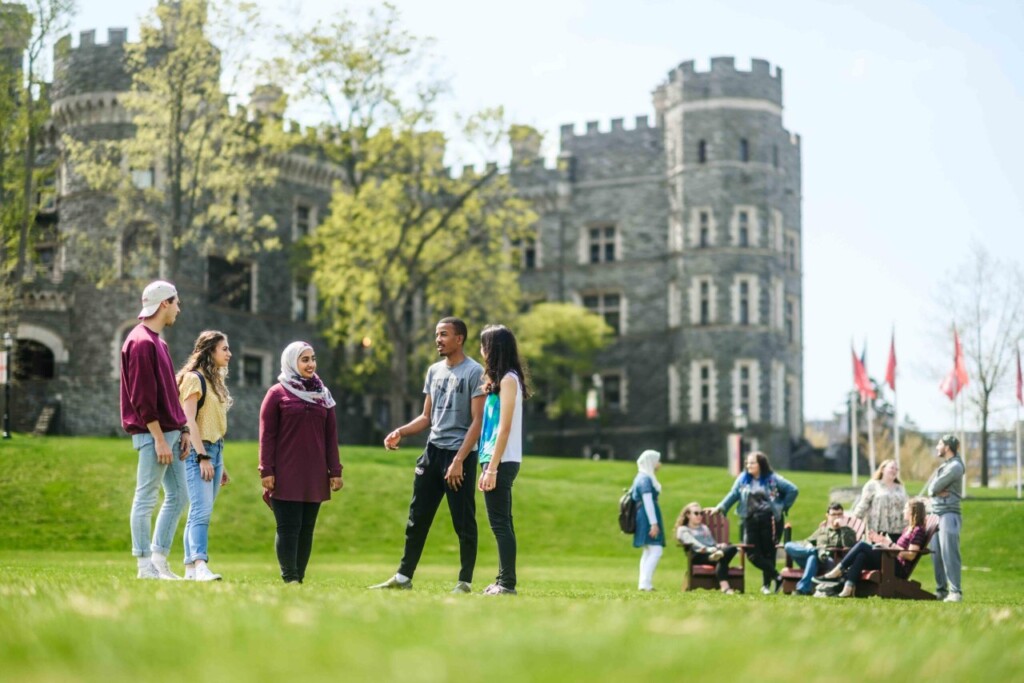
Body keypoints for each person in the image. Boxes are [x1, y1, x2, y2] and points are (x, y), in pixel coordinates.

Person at [370, 317, 485, 593]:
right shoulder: (434, 371)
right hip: (432, 452)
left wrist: (459, 460)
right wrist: (400, 432)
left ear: (459, 338)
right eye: (437, 334)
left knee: (463, 522)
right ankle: (403, 577)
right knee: (417, 518)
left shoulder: (475, 372)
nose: (438, 340)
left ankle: (464, 582)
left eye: (444, 334)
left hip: (459, 456)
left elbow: (478, 421)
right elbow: (426, 417)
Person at [121, 280, 191, 580]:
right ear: (164, 303)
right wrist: (159, 438)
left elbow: (169, 393)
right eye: (176, 302)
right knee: (146, 498)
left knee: (180, 495)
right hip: (154, 435)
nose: (178, 309)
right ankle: (143, 566)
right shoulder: (140, 343)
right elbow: (142, 398)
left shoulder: (159, 343)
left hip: (171, 432)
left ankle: (159, 561)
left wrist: (183, 428)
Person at [259, 342, 343, 584]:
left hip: (315, 472)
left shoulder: (323, 395)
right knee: (288, 527)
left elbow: (331, 436)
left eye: (313, 358)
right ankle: (290, 578)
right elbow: (267, 434)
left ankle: (300, 578)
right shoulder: (277, 393)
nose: (310, 364)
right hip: (285, 471)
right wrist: (266, 469)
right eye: (304, 359)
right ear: (291, 362)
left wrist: (335, 470)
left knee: (306, 529)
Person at [476, 324, 530, 596]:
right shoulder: (501, 381)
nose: (481, 350)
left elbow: (504, 428)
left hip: (502, 460)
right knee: (501, 523)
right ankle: (502, 580)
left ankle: (507, 584)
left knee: (500, 524)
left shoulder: (509, 380)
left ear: (493, 348)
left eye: (483, 345)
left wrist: (492, 468)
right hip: (493, 458)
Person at [177, 331, 233, 582]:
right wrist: (202, 456)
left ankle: (190, 569)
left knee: (198, 511)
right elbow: (189, 420)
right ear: (210, 351)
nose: (229, 353)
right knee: (201, 511)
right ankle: (201, 565)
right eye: (224, 349)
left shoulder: (214, 381)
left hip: (215, 451)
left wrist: (221, 462)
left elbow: (213, 425)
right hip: (199, 452)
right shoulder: (194, 379)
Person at [714, 451, 798, 593]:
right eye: (747, 462)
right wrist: (720, 507)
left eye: (752, 462)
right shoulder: (743, 479)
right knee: (751, 554)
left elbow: (793, 490)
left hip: (770, 520)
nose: (748, 465)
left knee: (768, 552)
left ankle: (766, 586)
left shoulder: (773, 479)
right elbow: (733, 494)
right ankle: (777, 577)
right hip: (750, 519)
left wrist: (783, 506)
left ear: (761, 464)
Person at [816, 498, 927, 598]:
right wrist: (882, 542)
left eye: (906, 508)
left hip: (898, 568)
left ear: (913, 511)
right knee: (861, 555)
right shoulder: (907, 529)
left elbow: (911, 555)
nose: (903, 511)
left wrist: (887, 543)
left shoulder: (918, 531)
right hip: (892, 562)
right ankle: (848, 588)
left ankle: (838, 571)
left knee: (862, 545)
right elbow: (897, 548)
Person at [783, 502, 857, 595]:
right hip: (815, 558)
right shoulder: (822, 531)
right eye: (833, 514)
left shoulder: (848, 531)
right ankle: (814, 551)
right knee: (788, 545)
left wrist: (842, 528)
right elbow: (806, 541)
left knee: (812, 557)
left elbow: (848, 547)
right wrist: (810, 547)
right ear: (827, 516)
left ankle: (803, 589)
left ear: (843, 516)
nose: (837, 517)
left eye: (839, 514)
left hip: (831, 561)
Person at [926, 434, 965, 603]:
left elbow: (934, 487)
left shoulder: (955, 466)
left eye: (939, 444)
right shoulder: (946, 465)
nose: (937, 447)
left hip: (949, 514)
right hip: (936, 514)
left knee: (950, 553)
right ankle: (941, 591)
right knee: (936, 555)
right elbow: (932, 489)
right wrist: (934, 491)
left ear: (947, 447)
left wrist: (934, 490)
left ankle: (955, 592)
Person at [674, 501, 738, 594]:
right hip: (698, 555)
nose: (699, 516)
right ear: (688, 515)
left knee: (732, 548)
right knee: (722, 557)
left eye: (701, 513)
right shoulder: (683, 529)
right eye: (696, 513)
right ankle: (725, 587)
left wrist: (719, 546)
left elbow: (712, 543)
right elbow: (692, 541)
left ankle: (718, 556)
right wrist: (707, 549)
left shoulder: (704, 528)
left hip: (712, 553)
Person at [631, 449, 665, 592]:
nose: (659, 464)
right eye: (657, 461)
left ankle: (644, 583)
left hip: (643, 515)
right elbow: (648, 502)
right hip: (646, 517)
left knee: (648, 550)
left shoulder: (641, 477)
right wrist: (653, 523)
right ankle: (645, 583)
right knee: (656, 549)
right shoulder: (645, 479)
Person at [851, 459, 908, 542]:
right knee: (877, 550)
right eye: (892, 468)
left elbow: (907, 506)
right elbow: (863, 504)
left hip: (897, 528)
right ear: (883, 469)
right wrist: (854, 520)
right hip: (877, 528)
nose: (894, 471)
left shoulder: (900, 487)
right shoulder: (872, 485)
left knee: (897, 550)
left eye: (896, 469)